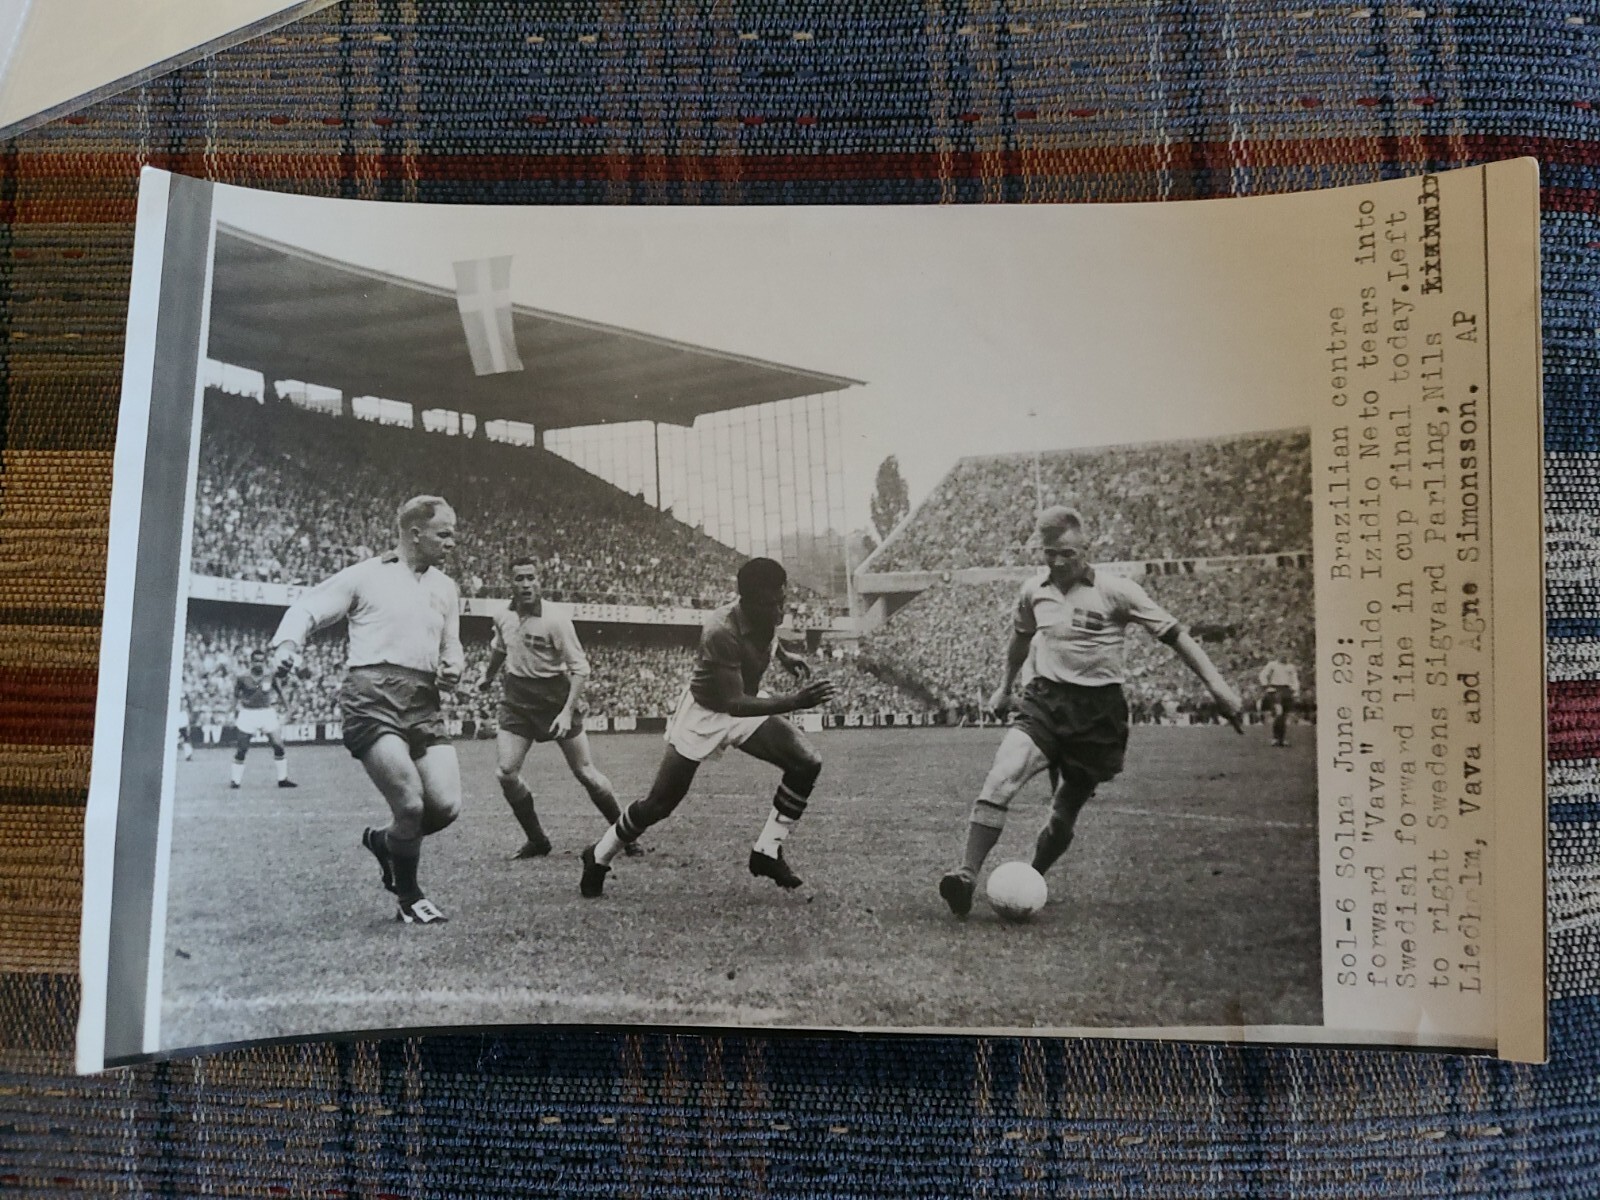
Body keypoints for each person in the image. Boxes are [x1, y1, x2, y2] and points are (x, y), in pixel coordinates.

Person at [938, 506, 1245, 918]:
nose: (1059, 561)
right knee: (1001, 777)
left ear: (1086, 548)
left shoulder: (1118, 591)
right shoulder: (1034, 591)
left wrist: (1218, 688)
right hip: (1044, 700)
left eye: (1068, 552)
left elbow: (1176, 637)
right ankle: (965, 875)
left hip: (1098, 713)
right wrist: (1004, 688)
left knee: (1063, 815)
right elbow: (1020, 640)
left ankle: (1032, 878)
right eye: (1050, 553)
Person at [579, 557, 836, 898]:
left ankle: (767, 851)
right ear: (746, 601)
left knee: (806, 761)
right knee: (660, 804)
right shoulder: (720, 631)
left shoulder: (765, 614)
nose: (779, 611)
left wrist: (785, 657)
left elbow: (766, 638)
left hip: (745, 699)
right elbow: (734, 704)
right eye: (770, 604)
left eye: (781, 601)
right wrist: (795, 701)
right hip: (707, 712)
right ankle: (598, 855)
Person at [270, 494, 465, 925]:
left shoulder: (445, 588)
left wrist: (454, 664)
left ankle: (384, 842)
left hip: (423, 700)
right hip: (371, 695)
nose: (452, 543)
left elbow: (451, 643)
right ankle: (410, 898)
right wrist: (287, 644)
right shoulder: (366, 576)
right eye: (444, 534)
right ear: (415, 533)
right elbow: (307, 608)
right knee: (411, 805)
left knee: (446, 806)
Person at [479, 555, 639, 859]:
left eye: (531, 578)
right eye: (519, 578)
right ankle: (538, 840)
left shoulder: (556, 619)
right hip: (517, 700)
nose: (526, 584)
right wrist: (487, 677)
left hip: (554, 697)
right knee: (506, 772)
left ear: (541, 580)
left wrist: (566, 711)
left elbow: (581, 669)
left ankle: (626, 835)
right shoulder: (502, 615)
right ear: (509, 582)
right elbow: (500, 647)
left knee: (586, 772)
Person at [229, 650, 296, 789]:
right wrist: (232, 712)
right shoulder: (242, 677)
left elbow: (280, 691)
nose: (258, 663)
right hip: (248, 713)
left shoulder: (270, 675)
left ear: (264, 661)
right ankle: (235, 780)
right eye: (256, 660)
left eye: (261, 660)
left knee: (278, 744)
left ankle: (282, 779)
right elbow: (235, 695)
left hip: (266, 712)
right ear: (251, 661)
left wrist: (288, 708)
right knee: (242, 748)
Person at [1257, 655, 1302, 747]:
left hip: (1287, 690)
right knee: (1279, 713)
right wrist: (1266, 686)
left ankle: (1281, 739)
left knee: (1284, 715)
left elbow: (1295, 679)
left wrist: (1295, 691)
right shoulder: (1272, 665)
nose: (1284, 657)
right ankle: (1275, 738)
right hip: (1276, 690)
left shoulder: (1291, 667)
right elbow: (1263, 675)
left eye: (1286, 654)